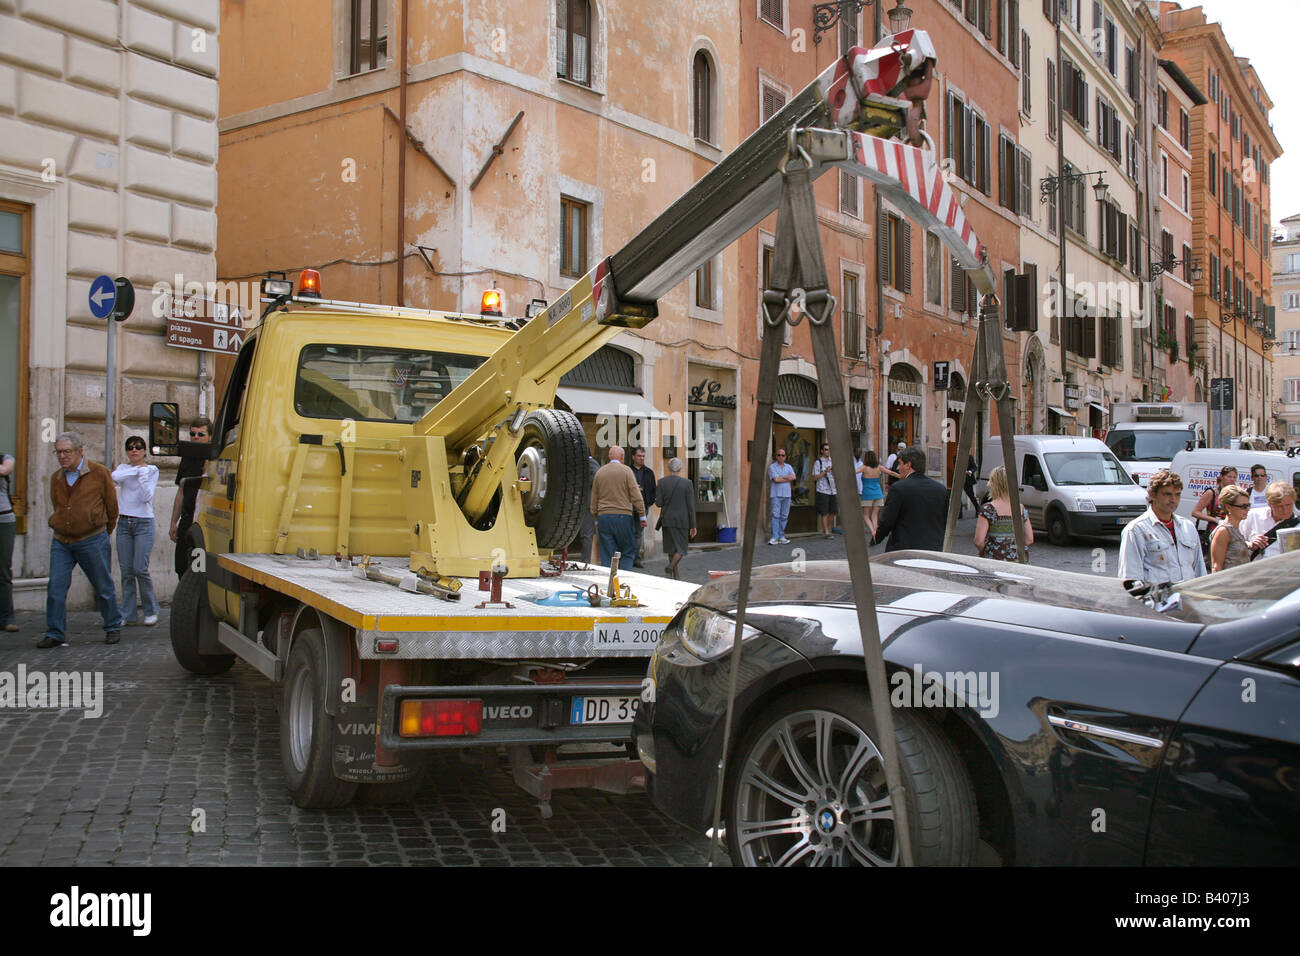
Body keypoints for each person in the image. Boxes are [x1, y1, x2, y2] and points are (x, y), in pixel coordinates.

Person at [41, 431, 122, 647]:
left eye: (66, 452)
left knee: (103, 586)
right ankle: (55, 633)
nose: (62, 456)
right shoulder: (56, 477)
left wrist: (104, 531)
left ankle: (113, 626)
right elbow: (57, 505)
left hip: (91, 538)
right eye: (58, 452)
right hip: (62, 540)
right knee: (56, 587)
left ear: (80, 452)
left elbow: (112, 507)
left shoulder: (99, 473)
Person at [1117, 469, 1205, 584]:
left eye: (1177, 495)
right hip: (1156, 601)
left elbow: (1200, 571)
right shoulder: (1136, 530)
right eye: (1167, 494)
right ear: (1153, 494)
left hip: (1187, 599)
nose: (1173, 500)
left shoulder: (1188, 527)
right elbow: (1130, 579)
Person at [113, 436, 160, 626]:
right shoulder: (124, 469)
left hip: (143, 523)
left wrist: (141, 477)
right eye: (130, 448)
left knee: (140, 568)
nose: (134, 451)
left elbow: (146, 497)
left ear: (145, 451)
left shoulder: (152, 470)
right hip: (124, 522)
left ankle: (151, 610)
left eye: (138, 447)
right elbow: (114, 477)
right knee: (126, 571)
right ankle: (128, 613)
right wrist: (136, 471)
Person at [873, 446, 947, 552]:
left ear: (908, 465)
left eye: (899, 463)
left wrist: (877, 537)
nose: (898, 468)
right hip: (933, 548)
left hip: (905, 549)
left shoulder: (898, 488)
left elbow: (887, 521)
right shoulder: (941, 489)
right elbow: (944, 520)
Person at [590, 445, 645, 568]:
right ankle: (623, 582)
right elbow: (636, 496)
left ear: (609, 457)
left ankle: (609, 583)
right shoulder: (627, 471)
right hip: (623, 517)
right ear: (622, 457)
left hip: (604, 517)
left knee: (607, 553)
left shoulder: (600, 472)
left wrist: (596, 518)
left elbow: (594, 500)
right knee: (626, 552)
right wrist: (642, 516)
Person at [171, 416, 211, 577]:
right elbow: (181, 491)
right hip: (186, 522)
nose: (195, 438)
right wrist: (174, 521)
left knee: (197, 570)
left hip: (202, 525)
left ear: (210, 437)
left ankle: (197, 601)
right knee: (181, 567)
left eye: (201, 435)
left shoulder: (214, 458)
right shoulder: (187, 458)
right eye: (192, 434)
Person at [973, 465, 1032, 562]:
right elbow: (1029, 539)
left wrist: (987, 551)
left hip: (995, 562)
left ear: (994, 484)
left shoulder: (988, 509)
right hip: (1018, 563)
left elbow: (978, 541)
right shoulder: (1020, 508)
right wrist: (1013, 550)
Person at [654, 458, 696, 579]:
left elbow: (659, 503)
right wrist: (693, 525)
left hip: (666, 520)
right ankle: (671, 568)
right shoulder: (687, 483)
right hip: (682, 521)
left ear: (668, 468)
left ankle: (675, 575)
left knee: (671, 549)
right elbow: (691, 507)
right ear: (680, 468)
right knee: (682, 548)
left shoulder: (661, 482)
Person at [1241, 481, 1300, 561]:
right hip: (1255, 570)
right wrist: (1250, 545)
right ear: (1269, 504)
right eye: (1280, 506)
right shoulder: (1253, 516)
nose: (1285, 510)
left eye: (1288, 505)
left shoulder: (1297, 525)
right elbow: (1235, 543)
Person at [1190, 465, 1237, 562]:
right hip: (1213, 530)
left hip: (1230, 530)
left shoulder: (1234, 494)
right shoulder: (1212, 493)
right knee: (1213, 561)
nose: (1232, 480)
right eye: (1229, 476)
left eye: (1234, 477)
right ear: (1222, 477)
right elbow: (1195, 512)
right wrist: (1215, 520)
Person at [1208, 486, 1253, 573]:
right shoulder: (1223, 531)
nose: (1247, 509)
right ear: (1228, 507)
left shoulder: (1236, 529)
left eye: (1248, 505)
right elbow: (1216, 568)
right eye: (1243, 506)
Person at [854, 450, 896, 538]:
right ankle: (876, 532)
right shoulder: (879, 467)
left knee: (866, 516)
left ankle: (873, 531)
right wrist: (900, 476)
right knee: (875, 515)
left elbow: (853, 472)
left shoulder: (864, 467)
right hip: (878, 493)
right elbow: (891, 472)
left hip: (867, 494)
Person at [628, 447, 657, 568]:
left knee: (638, 533)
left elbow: (653, 489)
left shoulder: (649, 472)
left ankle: (635, 558)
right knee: (628, 532)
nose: (642, 458)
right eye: (639, 456)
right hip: (628, 506)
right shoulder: (628, 470)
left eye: (643, 456)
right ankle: (627, 557)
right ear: (633, 457)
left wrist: (650, 501)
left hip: (643, 506)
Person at [0, 452, 16, 632]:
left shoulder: (5, 458)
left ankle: (7, 617)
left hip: (4, 520)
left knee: (4, 571)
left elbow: (6, 469)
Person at [767, 447, 795, 545]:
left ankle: (781, 536)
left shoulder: (789, 467)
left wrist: (781, 477)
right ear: (776, 456)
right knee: (775, 516)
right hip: (775, 495)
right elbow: (775, 480)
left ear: (785, 457)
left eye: (783, 455)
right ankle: (774, 537)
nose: (781, 457)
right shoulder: (772, 467)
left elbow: (794, 477)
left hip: (787, 495)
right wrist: (787, 477)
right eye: (779, 455)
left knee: (784, 516)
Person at [812, 443, 838, 538]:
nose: (828, 451)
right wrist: (825, 472)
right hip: (823, 490)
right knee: (824, 512)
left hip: (833, 490)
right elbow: (815, 477)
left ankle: (828, 528)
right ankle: (827, 532)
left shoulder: (833, 461)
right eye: (826, 449)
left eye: (829, 449)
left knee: (833, 512)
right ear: (822, 451)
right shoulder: (818, 462)